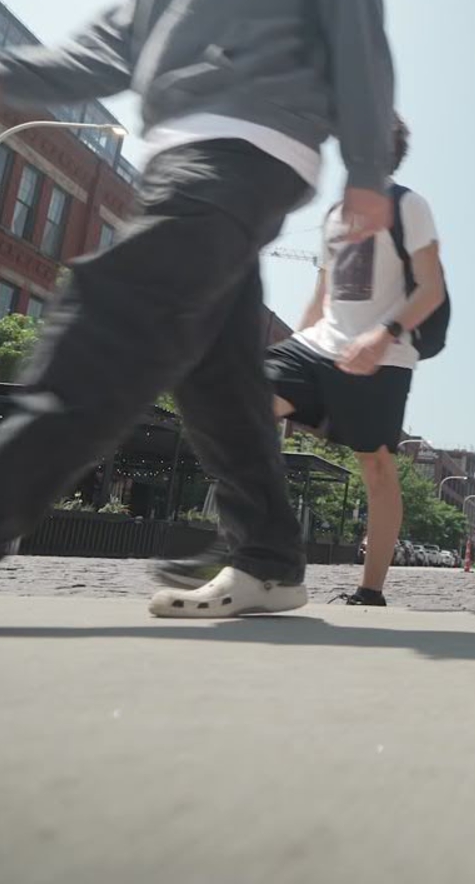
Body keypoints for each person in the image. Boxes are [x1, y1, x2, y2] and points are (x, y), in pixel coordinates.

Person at [0, 0, 395, 630]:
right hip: (178, 159)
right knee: (218, 380)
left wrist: (369, 172)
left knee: (110, 324)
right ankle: (269, 557)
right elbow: (100, 53)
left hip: (248, 149)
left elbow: (360, 43)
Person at [158, 117, 443, 609]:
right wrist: (293, 345)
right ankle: (249, 551)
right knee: (238, 407)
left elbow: (431, 288)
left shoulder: (408, 205)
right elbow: (324, 292)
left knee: (374, 465)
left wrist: (383, 335)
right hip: (319, 345)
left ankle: (370, 589)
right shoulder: (335, 214)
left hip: (383, 356)